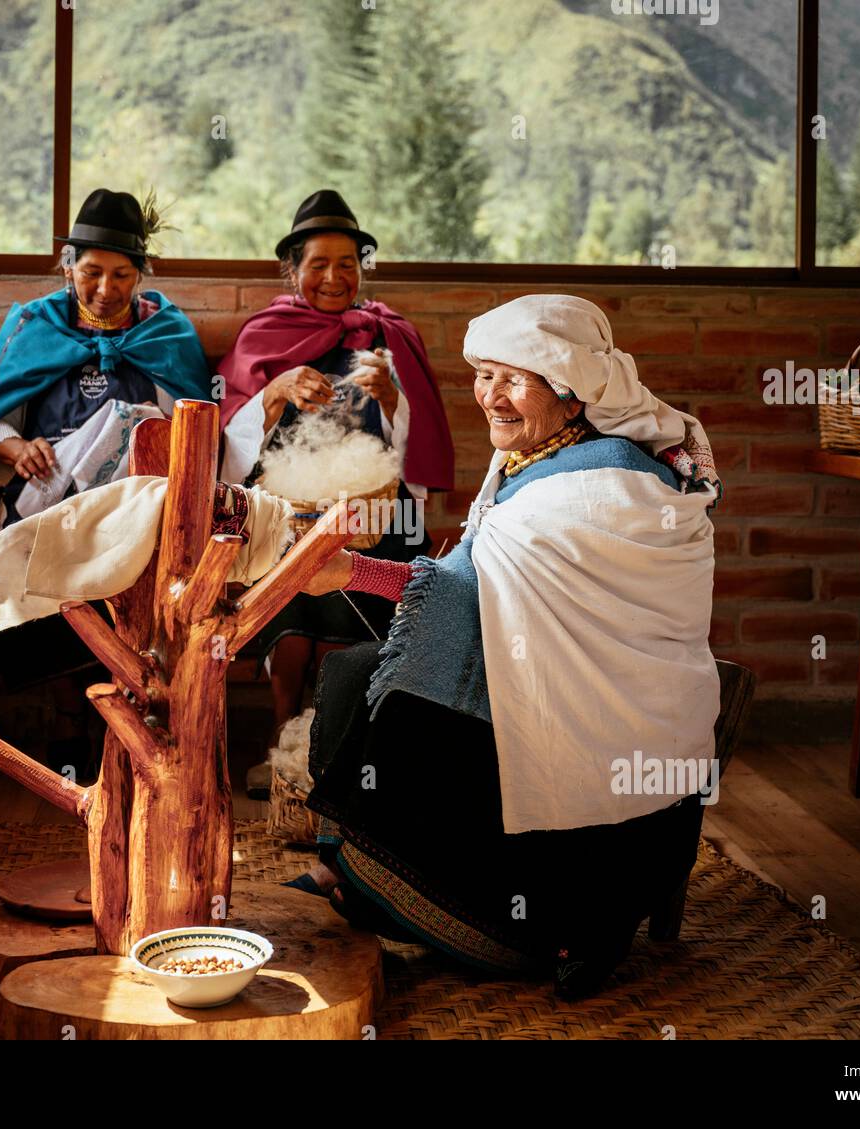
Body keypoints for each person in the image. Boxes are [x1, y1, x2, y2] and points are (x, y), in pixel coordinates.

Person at [287, 294, 724, 1000]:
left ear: (570, 389)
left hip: (611, 742)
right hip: (545, 674)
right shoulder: (536, 455)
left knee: (397, 701)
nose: (490, 395)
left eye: (512, 378)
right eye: (483, 374)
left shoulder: (608, 481)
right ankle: (349, 865)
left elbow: (465, 594)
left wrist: (351, 573)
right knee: (354, 672)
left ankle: (519, 921)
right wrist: (345, 572)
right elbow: (476, 582)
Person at [0, 187, 213, 768]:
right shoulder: (34, 325)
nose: (106, 290)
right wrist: (15, 447)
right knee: (57, 569)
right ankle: (73, 721)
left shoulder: (165, 333)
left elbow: (194, 430)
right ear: (68, 266)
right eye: (92, 272)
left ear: (141, 274)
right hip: (53, 501)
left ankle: (137, 727)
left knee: (137, 573)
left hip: (135, 505)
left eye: (122, 275)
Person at [217, 189, 454, 749]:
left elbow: (412, 450)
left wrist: (391, 399)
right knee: (291, 585)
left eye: (347, 264)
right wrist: (275, 390)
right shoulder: (265, 332)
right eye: (317, 264)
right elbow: (231, 441)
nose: (333, 276)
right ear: (292, 269)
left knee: (363, 587)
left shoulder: (388, 334)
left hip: (371, 504)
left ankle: (338, 743)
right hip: (287, 500)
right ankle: (282, 744)